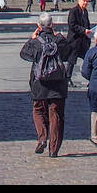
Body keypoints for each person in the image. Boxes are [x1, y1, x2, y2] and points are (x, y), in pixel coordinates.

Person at [19, 13, 73, 157]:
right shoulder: (59, 41)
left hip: (39, 83)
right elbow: (68, 54)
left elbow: (24, 54)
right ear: (52, 25)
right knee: (56, 115)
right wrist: (60, 37)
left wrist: (32, 39)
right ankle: (54, 149)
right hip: (58, 85)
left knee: (38, 110)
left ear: (39, 26)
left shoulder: (36, 42)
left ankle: (42, 138)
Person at [65, 0, 92, 86]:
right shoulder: (73, 11)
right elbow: (72, 25)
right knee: (71, 60)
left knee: (88, 59)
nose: (86, 3)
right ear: (79, 1)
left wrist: (89, 32)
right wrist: (84, 30)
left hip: (83, 40)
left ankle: (91, 78)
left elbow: (87, 24)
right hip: (74, 40)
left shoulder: (85, 11)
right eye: (84, 1)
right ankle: (67, 78)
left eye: (87, 1)